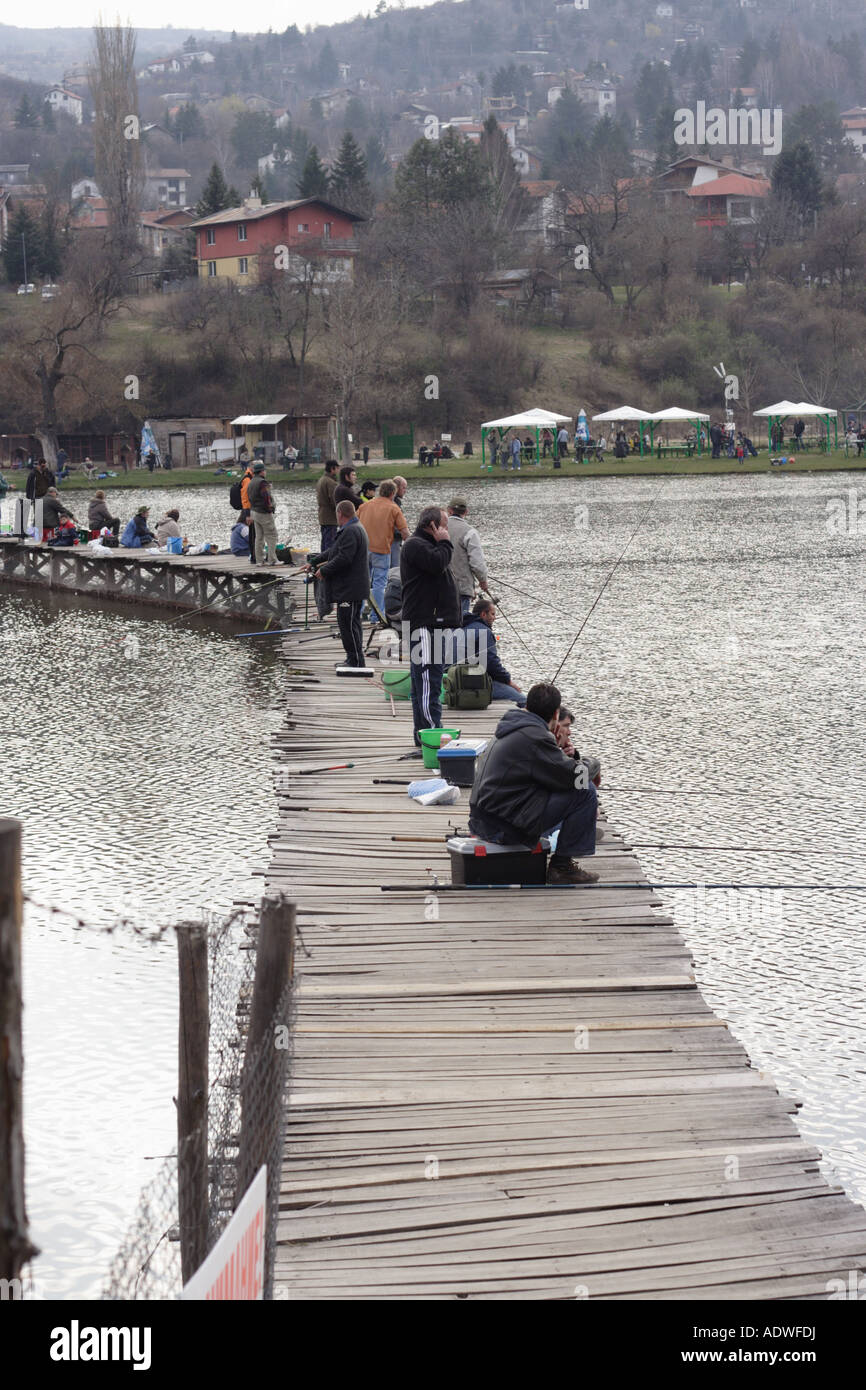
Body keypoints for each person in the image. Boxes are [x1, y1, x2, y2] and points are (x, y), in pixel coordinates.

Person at [468, 681, 599, 885]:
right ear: (556, 714)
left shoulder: (513, 725)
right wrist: (592, 763)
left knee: (566, 787)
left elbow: (551, 773)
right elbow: (576, 777)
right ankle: (561, 867)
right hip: (500, 828)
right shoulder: (534, 736)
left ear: (527, 706)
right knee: (585, 790)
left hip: (482, 821)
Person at [400, 505, 461, 747]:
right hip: (424, 624)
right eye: (444, 525)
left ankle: (423, 733)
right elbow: (437, 563)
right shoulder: (416, 545)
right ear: (433, 526)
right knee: (427, 682)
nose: (447, 530)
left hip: (432, 624)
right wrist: (445, 542)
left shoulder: (427, 545)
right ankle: (431, 732)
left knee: (426, 680)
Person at [306, 500, 369, 667]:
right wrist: (313, 562)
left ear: (340, 514)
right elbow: (334, 551)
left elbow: (344, 558)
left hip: (351, 589)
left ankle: (355, 661)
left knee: (348, 624)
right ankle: (354, 658)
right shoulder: (352, 529)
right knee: (350, 623)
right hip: (351, 588)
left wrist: (324, 571)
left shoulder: (351, 531)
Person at [447, 598, 524, 703]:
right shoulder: (484, 632)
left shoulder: (458, 629)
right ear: (483, 614)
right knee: (522, 700)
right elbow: (492, 664)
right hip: (472, 684)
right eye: (492, 614)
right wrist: (508, 681)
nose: (495, 618)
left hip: (452, 682)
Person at [358, 479, 409, 618]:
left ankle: (358, 612)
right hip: (381, 550)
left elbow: (354, 525)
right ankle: (377, 615)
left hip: (363, 550)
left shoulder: (365, 506)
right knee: (379, 583)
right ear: (393, 493)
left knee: (362, 581)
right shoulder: (394, 508)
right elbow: (404, 532)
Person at [445, 497, 490, 616]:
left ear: (449, 511)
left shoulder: (438, 528)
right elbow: (477, 563)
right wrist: (483, 580)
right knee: (459, 624)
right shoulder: (470, 532)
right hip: (461, 588)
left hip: (439, 587)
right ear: (466, 512)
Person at [247, 461, 279, 565]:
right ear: (261, 472)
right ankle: (272, 560)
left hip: (254, 512)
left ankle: (259, 561)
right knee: (272, 535)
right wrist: (271, 509)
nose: (265, 472)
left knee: (259, 537)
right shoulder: (262, 483)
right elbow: (266, 499)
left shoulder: (251, 481)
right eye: (264, 470)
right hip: (263, 513)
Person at [316, 458, 339, 553]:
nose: (338, 470)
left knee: (324, 541)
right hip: (330, 517)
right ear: (332, 469)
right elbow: (333, 501)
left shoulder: (321, 480)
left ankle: (321, 562)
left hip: (322, 516)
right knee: (330, 543)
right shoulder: (331, 482)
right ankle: (328, 563)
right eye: (337, 468)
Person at [240, 458, 257, 565]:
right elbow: (245, 498)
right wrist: (247, 514)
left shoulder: (251, 478)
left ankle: (254, 555)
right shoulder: (247, 480)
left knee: (254, 534)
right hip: (249, 511)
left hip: (252, 510)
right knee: (253, 534)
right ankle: (254, 556)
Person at [390, 476, 408, 566]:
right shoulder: (393, 503)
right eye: (403, 488)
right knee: (395, 567)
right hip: (393, 540)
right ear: (396, 488)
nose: (405, 491)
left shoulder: (395, 501)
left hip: (392, 539)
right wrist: (403, 533)